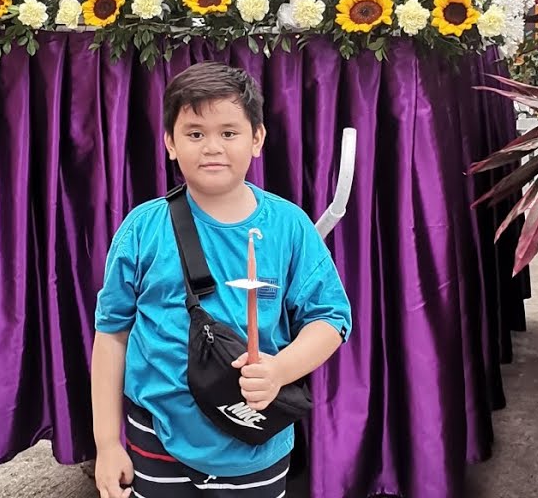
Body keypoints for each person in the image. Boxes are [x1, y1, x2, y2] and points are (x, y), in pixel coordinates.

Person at [91, 62, 352, 498]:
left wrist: (280, 369)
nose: (212, 147)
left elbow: (330, 319)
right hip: (156, 434)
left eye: (229, 132)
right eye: (195, 134)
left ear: (257, 139)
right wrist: (106, 444)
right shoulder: (142, 228)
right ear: (170, 143)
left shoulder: (289, 226)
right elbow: (112, 335)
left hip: (254, 441)